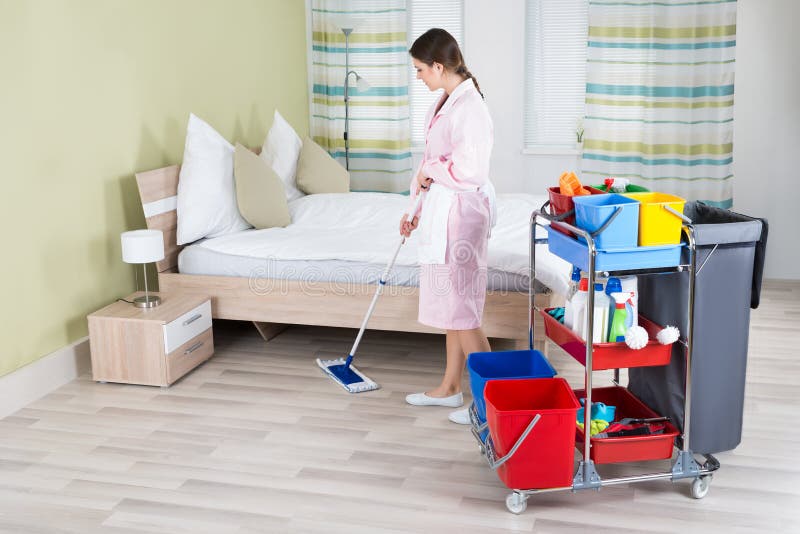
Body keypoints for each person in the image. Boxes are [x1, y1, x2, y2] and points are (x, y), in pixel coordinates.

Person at [400, 28, 496, 425]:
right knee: (454, 310)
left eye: (421, 70)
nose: (419, 77)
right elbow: (434, 162)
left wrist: (429, 172)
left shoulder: (470, 107)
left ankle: (494, 404)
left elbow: (468, 171)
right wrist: (416, 205)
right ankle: (450, 387)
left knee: (465, 312)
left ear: (439, 66)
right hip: (445, 209)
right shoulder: (447, 100)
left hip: (463, 215)